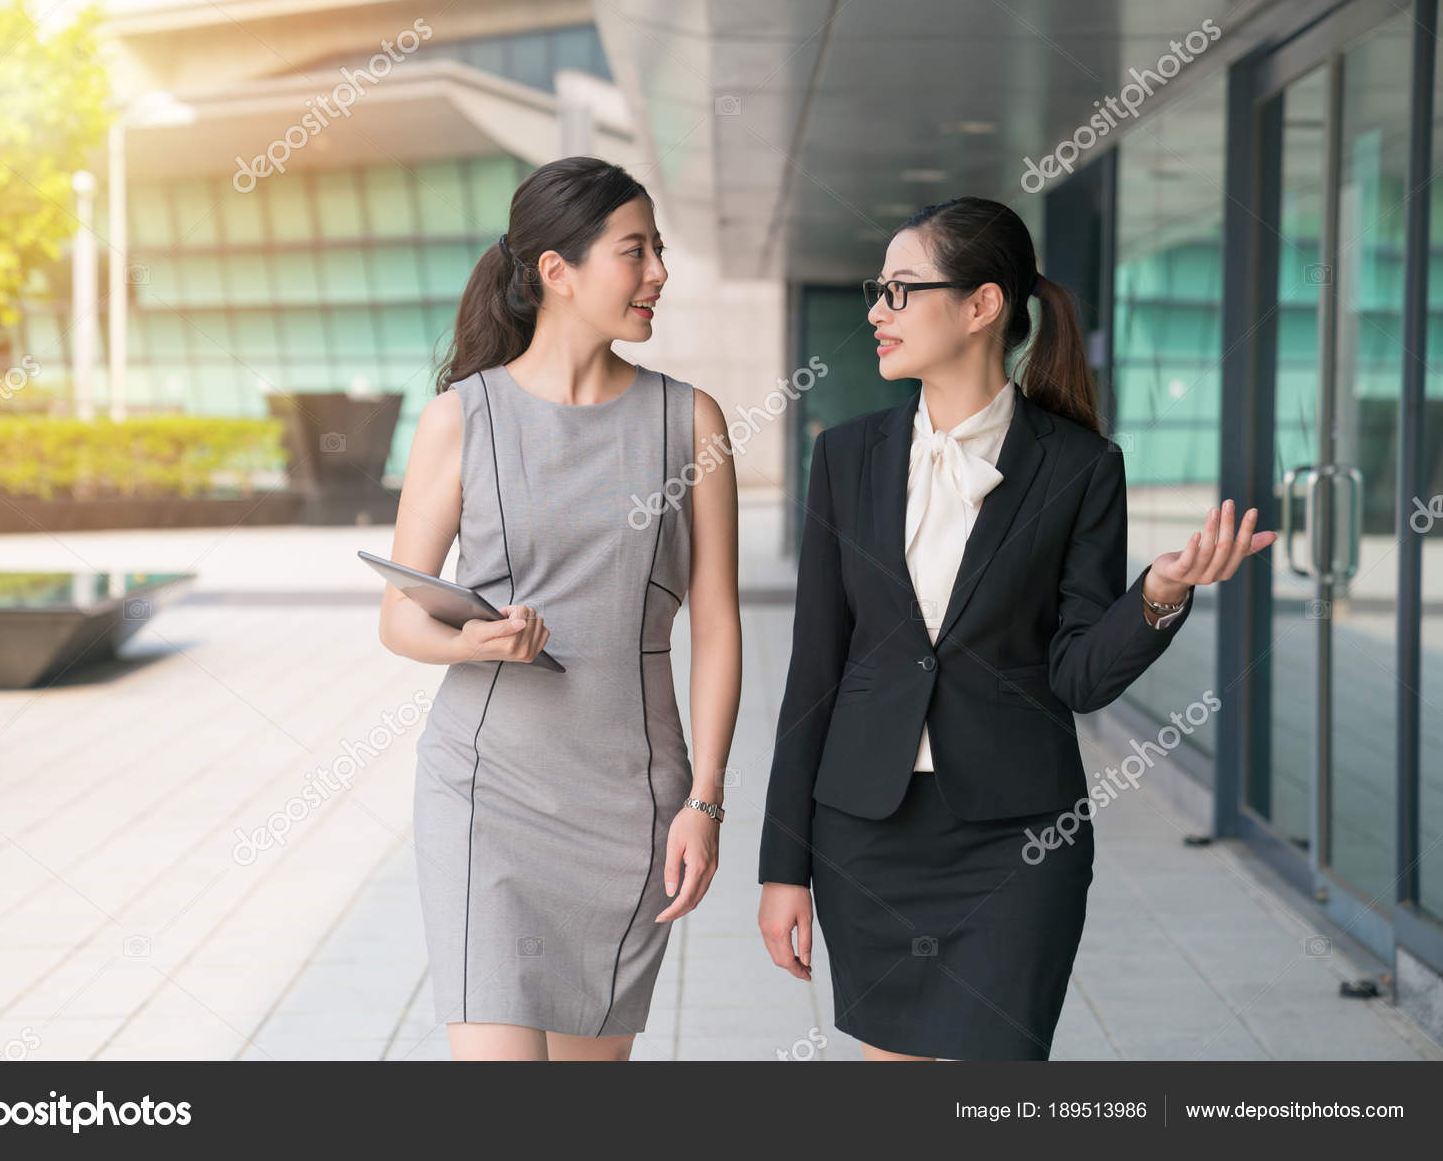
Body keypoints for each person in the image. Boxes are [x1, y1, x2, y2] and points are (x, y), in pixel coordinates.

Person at [755, 196, 1275, 1061]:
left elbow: (1076, 676)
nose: (876, 312)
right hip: (867, 838)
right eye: (877, 290)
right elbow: (814, 672)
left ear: (981, 305)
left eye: (899, 289)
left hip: (1018, 845)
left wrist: (1159, 593)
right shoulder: (844, 458)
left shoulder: (1079, 467)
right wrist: (784, 865)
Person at [379, 156, 741, 1061]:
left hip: (630, 807)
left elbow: (719, 629)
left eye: (659, 250)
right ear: (556, 270)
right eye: (635, 251)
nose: (659, 272)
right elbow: (398, 616)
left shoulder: (690, 422)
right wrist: (476, 643)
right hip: (482, 794)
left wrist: (706, 800)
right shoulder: (462, 419)